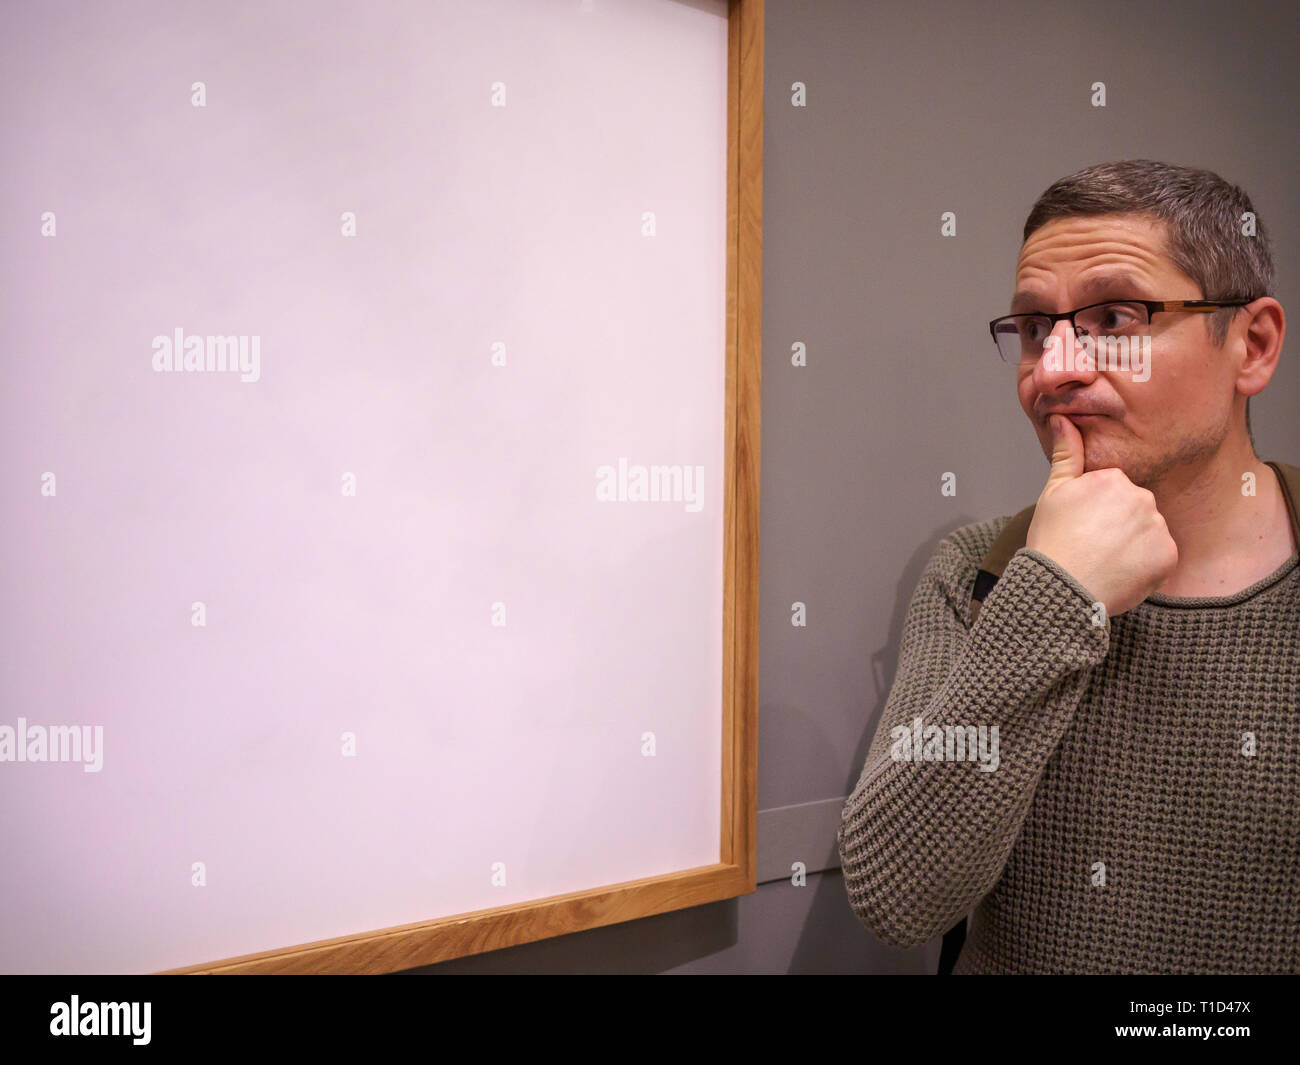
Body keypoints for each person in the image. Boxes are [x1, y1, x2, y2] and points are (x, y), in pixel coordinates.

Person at [837, 159, 1299, 974]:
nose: (1052, 370)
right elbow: (897, 895)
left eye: (1115, 317)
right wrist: (1056, 597)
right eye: (1035, 329)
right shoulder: (980, 570)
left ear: (1251, 347)